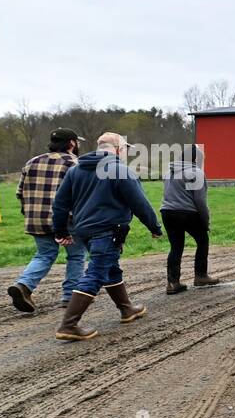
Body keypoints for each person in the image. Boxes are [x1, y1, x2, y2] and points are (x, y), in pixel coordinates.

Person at [51, 132, 163, 341]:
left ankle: (126, 309)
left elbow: (60, 203)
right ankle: (69, 325)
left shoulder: (75, 170)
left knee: (110, 267)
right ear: (118, 149)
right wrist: (154, 227)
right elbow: (139, 203)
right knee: (96, 273)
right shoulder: (120, 170)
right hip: (108, 231)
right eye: (125, 150)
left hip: (84, 230)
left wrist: (61, 231)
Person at [8, 128, 88, 312]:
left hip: (37, 219)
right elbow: (80, 194)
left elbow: (20, 192)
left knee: (44, 255)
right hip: (68, 219)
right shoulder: (75, 163)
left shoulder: (32, 162)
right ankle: (71, 296)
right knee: (76, 256)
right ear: (72, 143)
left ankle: (24, 285)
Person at [160, 145, 220, 293]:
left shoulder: (169, 172)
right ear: (195, 159)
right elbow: (200, 201)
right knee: (202, 240)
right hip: (187, 213)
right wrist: (205, 222)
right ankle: (200, 276)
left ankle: (173, 283)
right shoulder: (196, 173)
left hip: (167, 211)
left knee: (176, 247)